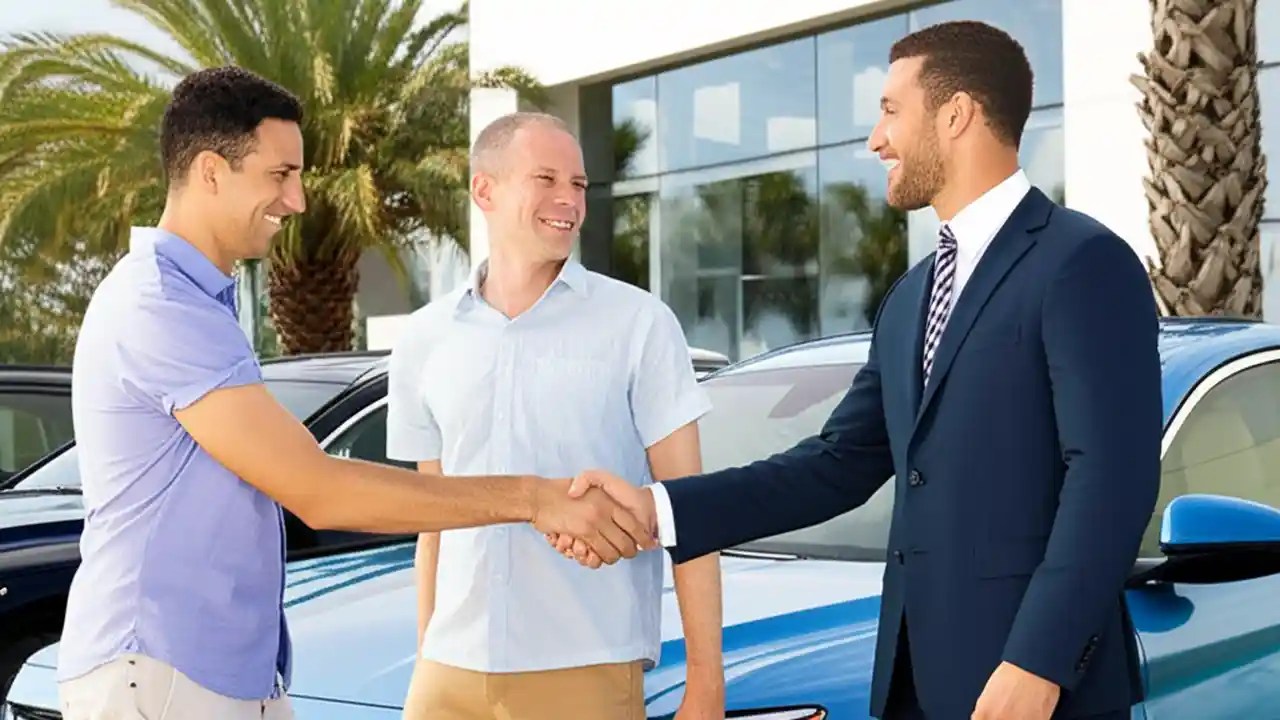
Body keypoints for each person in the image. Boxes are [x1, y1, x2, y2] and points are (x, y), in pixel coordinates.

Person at [560, 20, 1162, 720]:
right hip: (911, 682)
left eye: (889, 112)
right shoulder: (910, 298)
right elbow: (837, 463)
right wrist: (656, 507)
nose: (875, 141)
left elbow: (1111, 479)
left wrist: (1040, 660)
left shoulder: (1082, 263)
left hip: (1030, 688)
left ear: (956, 114)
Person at [56, 67, 653, 720]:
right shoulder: (161, 305)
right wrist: (535, 498)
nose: (298, 201)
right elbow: (318, 489)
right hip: (164, 673)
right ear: (209, 172)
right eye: (280, 175)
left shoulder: (195, 302)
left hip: (216, 672)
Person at [385, 111, 724, 720]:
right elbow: (430, 518)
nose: (569, 200)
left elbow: (691, 510)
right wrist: (426, 651)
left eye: (579, 185)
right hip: (448, 674)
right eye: (546, 179)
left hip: (585, 667)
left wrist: (706, 682)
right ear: (484, 190)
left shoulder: (640, 324)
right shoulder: (423, 338)